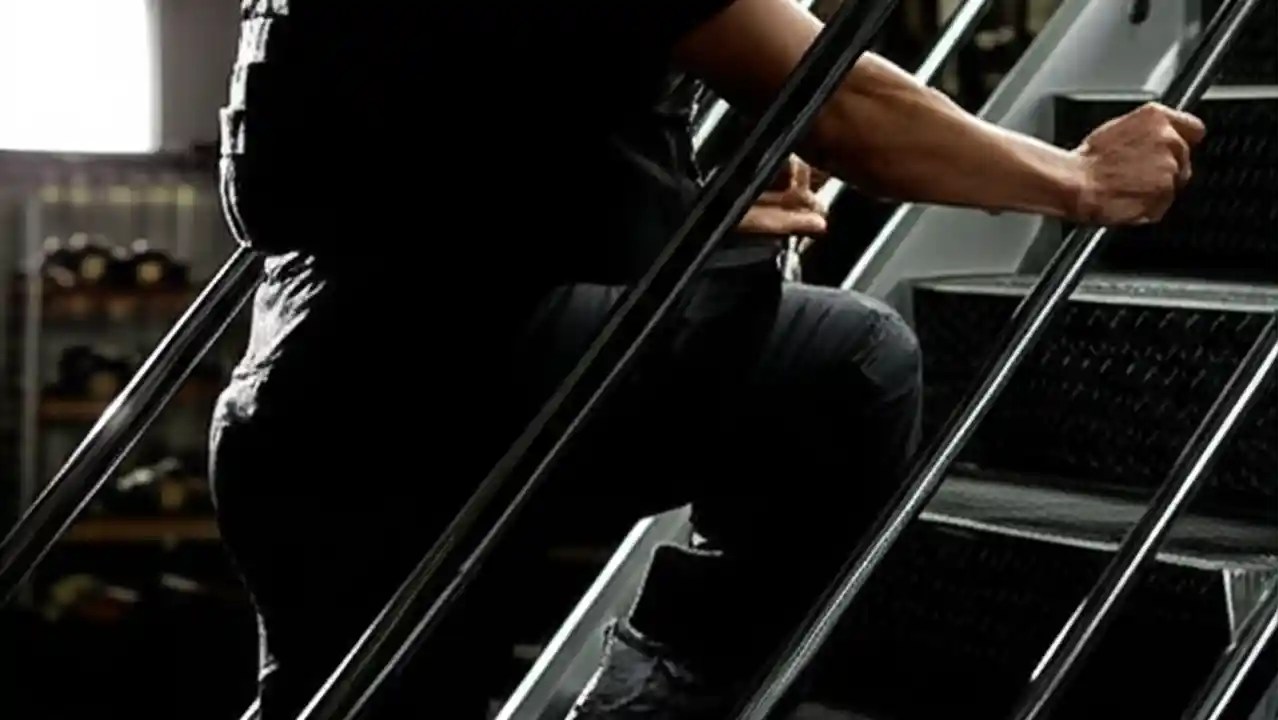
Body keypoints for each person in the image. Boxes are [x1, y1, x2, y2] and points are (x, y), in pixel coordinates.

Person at [210, 0, 1205, 718]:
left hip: (293, 394)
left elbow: (451, 144)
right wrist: (1076, 176)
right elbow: (850, 107)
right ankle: (664, 684)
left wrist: (687, 218)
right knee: (854, 361)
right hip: (454, 385)